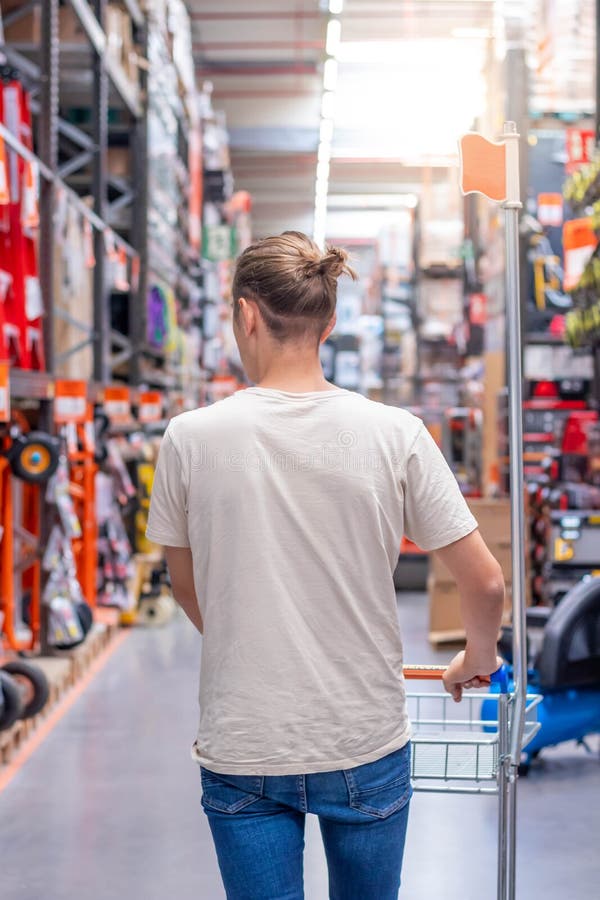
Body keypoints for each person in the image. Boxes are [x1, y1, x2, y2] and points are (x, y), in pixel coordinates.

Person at [146, 231, 504, 900]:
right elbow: (485, 580)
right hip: (362, 738)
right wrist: (474, 657)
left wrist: (256, 643)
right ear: (330, 322)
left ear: (245, 315)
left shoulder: (189, 438)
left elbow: (189, 587)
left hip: (243, 741)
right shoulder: (394, 433)